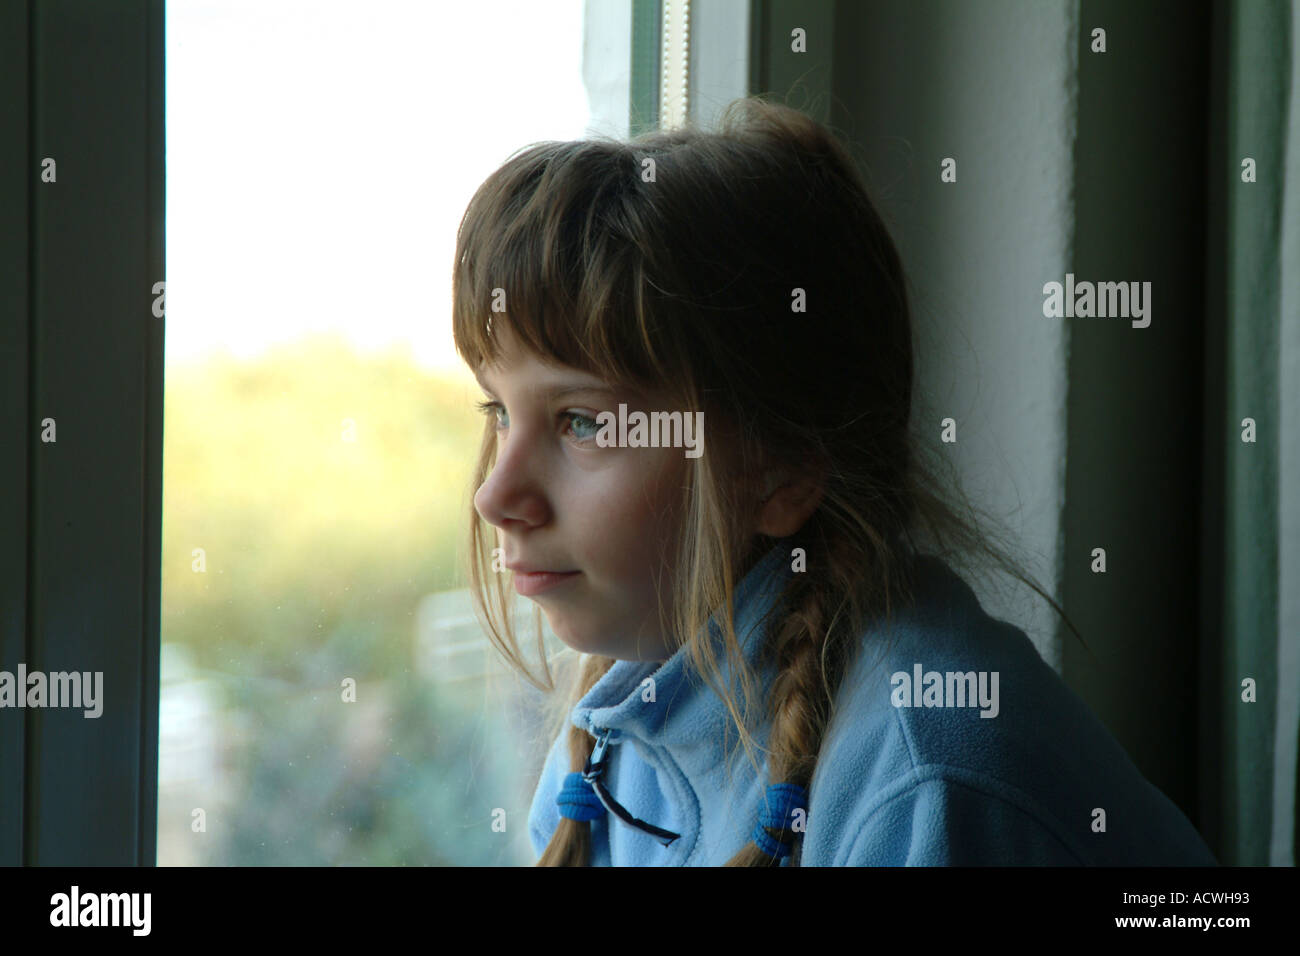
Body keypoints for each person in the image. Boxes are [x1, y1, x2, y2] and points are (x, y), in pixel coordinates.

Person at [450, 96, 1218, 866]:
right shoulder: (612, 744)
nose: (495, 497)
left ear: (784, 466)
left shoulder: (930, 792)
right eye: (500, 411)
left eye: (583, 423)